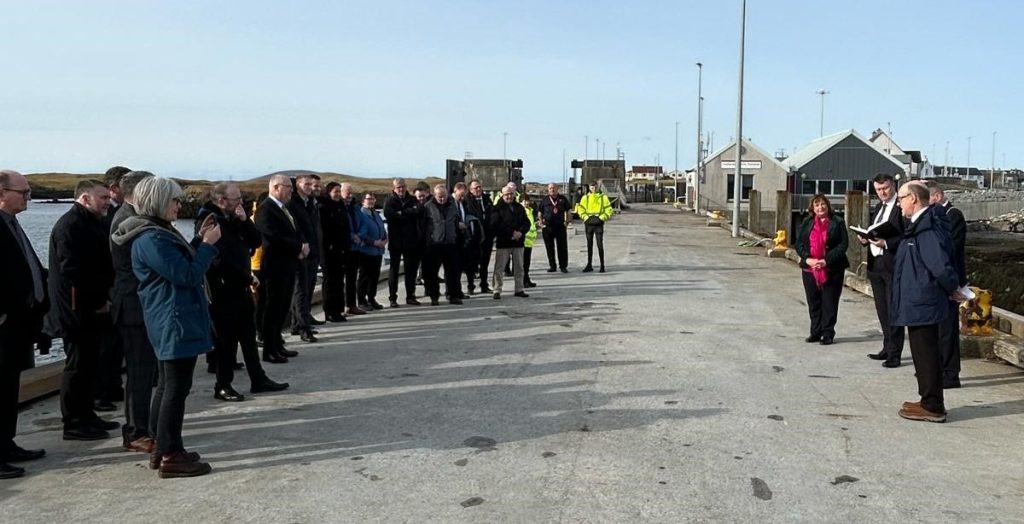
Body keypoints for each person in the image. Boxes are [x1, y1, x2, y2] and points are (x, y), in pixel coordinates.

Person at [116, 176, 219, 477]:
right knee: (175, 388)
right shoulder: (152, 238)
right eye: (174, 201)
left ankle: (164, 447)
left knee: (168, 386)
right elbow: (186, 274)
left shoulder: (158, 233)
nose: (179, 205)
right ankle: (171, 456)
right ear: (159, 202)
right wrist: (209, 247)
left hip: (171, 318)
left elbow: (179, 263)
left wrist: (199, 240)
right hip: (173, 320)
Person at [193, 184, 289, 402]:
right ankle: (223, 385)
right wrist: (247, 276)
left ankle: (258, 378)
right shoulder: (209, 220)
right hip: (222, 287)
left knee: (248, 334)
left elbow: (256, 241)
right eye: (236, 199)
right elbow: (219, 257)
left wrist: (245, 220)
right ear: (221, 200)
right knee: (226, 340)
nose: (240, 203)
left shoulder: (234, 217)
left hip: (241, 286)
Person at [48, 179, 118, 441]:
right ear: (85, 198)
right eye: (102, 198)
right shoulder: (71, 226)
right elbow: (72, 271)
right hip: (77, 310)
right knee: (77, 366)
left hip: (91, 308)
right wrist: (99, 300)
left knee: (90, 364)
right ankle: (73, 421)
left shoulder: (91, 223)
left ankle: (87, 414)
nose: (107, 202)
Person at [891, 182, 961, 423]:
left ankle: (933, 405)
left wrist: (953, 288)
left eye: (901, 198)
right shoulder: (920, 226)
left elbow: (939, 264)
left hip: (923, 300)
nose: (898, 203)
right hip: (918, 299)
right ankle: (927, 399)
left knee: (926, 352)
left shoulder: (927, 229)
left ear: (913, 198)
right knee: (922, 352)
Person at [0, 170, 48, 479]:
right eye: (24, 192)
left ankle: (6, 443)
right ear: (2, 193)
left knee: (8, 386)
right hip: (4, 323)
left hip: (18, 322)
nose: (29, 197)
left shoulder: (12, 224)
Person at [108, 170, 158, 453]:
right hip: (133, 305)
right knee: (139, 372)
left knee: (145, 371)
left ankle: (142, 426)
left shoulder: (132, 216)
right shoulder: (129, 220)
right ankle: (135, 432)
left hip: (137, 303)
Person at [255, 174, 307, 363]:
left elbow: (294, 231)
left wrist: (302, 245)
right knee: (272, 308)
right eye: (288, 187)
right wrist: (298, 247)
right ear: (276, 187)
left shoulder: (284, 209)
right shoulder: (265, 209)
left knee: (282, 307)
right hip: (274, 266)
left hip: (288, 264)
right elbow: (272, 235)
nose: (291, 191)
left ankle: (278, 344)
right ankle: (269, 350)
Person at [95, 165, 132, 411]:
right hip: (108, 289)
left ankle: (112, 386)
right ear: (115, 188)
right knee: (105, 346)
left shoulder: (115, 213)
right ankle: (101, 392)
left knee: (116, 344)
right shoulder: (110, 217)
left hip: (116, 288)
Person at [924, 180, 968, 389]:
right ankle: (938, 368)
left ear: (938, 196)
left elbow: (949, 247)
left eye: (928, 198)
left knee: (948, 331)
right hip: (936, 281)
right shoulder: (933, 217)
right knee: (936, 329)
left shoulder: (954, 215)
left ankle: (951, 374)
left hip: (951, 280)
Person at [862, 173, 906, 368]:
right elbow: (876, 229)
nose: (882, 192)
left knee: (894, 309)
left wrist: (887, 243)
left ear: (893, 186)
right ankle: (886, 347)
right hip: (875, 264)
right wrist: (865, 237)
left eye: (885, 188)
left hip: (893, 264)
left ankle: (895, 353)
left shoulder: (901, 207)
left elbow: (906, 236)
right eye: (878, 190)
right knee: (882, 309)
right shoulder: (879, 206)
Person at [794, 194, 850, 345]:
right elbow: (799, 244)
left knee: (829, 302)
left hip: (832, 268)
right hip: (810, 269)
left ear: (828, 205)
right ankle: (815, 331)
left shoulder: (837, 222)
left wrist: (826, 261)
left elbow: (843, 245)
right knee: (814, 302)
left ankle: (828, 333)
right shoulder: (807, 222)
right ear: (812, 208)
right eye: (817, 205)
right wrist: (808, 259)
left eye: (823, 204)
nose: (820, 207)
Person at [286, 174, 322, 342]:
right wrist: (301, 246)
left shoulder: (309, 204)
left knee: (306, 289)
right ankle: (303, 327)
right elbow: (295, 228)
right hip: (301, 252)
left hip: (313, 251)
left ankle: (297, 323)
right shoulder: (293, 204)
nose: (309, 187)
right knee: (300, 291)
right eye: (306, 184)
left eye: (311, 184)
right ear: (297, 185)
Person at [422, 184, 464, 305]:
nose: (442, 199)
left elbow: (456, 221)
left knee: (452, 272)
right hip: (434, 243)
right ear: (435, 195)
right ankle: (434, 296)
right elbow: (424, 225)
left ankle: (453, 295)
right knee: (431, 272)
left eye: (444, 196)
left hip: (450, 242)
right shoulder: (428, 206)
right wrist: (428, 239)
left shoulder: (452, 206)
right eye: (439, 196)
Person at [383, 178, 422, 307]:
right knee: (394, 271)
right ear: (394, 188)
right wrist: (406, 214)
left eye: (403, 186)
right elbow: (389, 214)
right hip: (395, 241)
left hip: (411, 241)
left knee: (410, 271)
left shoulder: (412, 199)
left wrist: (401, 213)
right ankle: (393, 298)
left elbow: (418, 210)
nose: (401, 189)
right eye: (398, 187)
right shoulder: (389, 200)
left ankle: (410, 296)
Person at [319, 182, 352, 322]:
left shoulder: (341, 206)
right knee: (330, 282)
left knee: (339, 282)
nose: (338, 194)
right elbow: (324, 231)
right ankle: (329, 311)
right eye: (335, 192)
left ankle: (338, 309)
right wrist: (330, 246)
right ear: (329, 192)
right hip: (330, 251)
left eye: (339, 191)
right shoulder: (324, 208)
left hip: (342, 249)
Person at [490, 186, 531, 299]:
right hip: (504, 242)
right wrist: (512, 233)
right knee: (499, 267)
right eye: (506, 194)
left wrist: (520, 232)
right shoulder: (497, 208)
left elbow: (526, 222)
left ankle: (519, 289)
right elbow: (497, 224)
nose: (509, 196)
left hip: (518, 242)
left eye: (511, 194)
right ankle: (497, 289)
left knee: (519, 267)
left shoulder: (519, 207)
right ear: (502, 195)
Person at [354, 193, 387, 310]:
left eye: (373, 199)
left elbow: (382, 228)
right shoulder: (361, 214)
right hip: (366, 251)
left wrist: (384, 239)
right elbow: (361, 233)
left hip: (378, 251)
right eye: (368, 199)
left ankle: (371, 298)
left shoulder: (375, 214)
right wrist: (373, 242)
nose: (371, 201)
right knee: (364, 276)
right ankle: (362, 301)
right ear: (363, 201)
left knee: (374, 276)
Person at [574, 181, 613, 273]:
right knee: (589, 244)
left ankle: (602, 265)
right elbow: (580, 208)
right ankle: (589, 264)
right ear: (590, 188)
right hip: (589, 222)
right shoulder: (585, 197)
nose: (593, 189)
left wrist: (602, 217)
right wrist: (585, 217)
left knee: (600, 244)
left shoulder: (603, 197)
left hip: (598, 222)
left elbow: (609, 209)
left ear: (598, 187)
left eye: (595, 187)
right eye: (592, 188)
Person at [465, 180, 495, 293]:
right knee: (471, 262)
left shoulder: (487, 199)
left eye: (479, 187)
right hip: (474, 236)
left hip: (487, 235)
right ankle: (470, 285)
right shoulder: (467, 201)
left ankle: (484, 284)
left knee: (485, 262)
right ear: (471, 190)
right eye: (475, 188)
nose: (478, 189)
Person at [340, 183, 365, 316]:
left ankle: (352, 305)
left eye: (351, 193)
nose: (350, 195)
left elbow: (363, 223)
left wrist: (359, 235)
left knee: (352, 277)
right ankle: (341, 307)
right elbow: (341, 226)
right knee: (341, 279)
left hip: (356, 247)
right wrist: (351, 236)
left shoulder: (355, 208)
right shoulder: (340, 207)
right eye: (347, 193)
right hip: (345, 247)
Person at [538, 183, 570, 273]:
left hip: (560, 227)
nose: (552, 190)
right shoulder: (545, 200)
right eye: (550, 188)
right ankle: (552, 266)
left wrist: (567, 221)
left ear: (557, 189)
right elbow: (540, 212)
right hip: (547, 227)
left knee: (562, 247)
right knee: (549, 247)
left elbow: (568, 211)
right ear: (548, 189)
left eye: (554, 188)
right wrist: (541, 223)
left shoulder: (562, 199)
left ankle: (563, 266)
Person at [450, 182, 474, 298]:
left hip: (462, 238)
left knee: (459, 267)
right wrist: (457, 225)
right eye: (461, 194)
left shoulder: (462, 203)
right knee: (452, 268)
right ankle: (451, 292)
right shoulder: (449, 203)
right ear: (456, 190)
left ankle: (458, 291)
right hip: (452, 238)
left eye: (464, 195)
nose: (463, 197)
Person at [521, 193, 538, 288]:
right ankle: (523, 280)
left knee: (527, 263)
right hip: (523, 240)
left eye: (527, 201)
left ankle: (527, 278)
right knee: (522, 263)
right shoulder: (521, 211)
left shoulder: (530, 210)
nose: (526, 203)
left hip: (529, 241)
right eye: (524, 201)